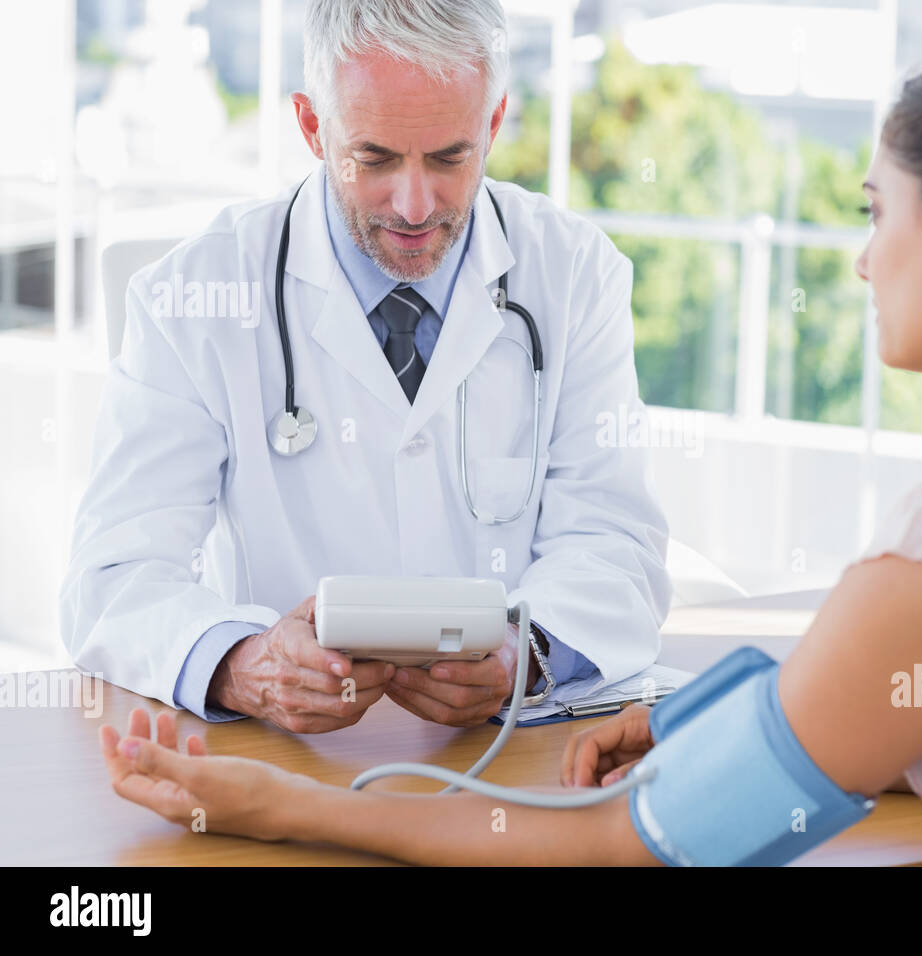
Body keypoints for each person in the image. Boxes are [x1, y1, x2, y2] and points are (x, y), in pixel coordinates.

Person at [100, 32, 922, 866]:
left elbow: (634, 839)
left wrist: (290, 806)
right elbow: (915, 691)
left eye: (873, 211)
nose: (860, 258)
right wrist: (694, 720)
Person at [62, 0, 671, 734]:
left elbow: (614, 543)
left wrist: (527, 656)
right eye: (374, 158)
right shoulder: (190, 297)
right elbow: (114, 577)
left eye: (450, 157)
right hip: (283, 767)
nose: (414, 205)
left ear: (494, 122)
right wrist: (241, 665)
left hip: (501, 759)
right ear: (313, 127)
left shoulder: (575, 274)